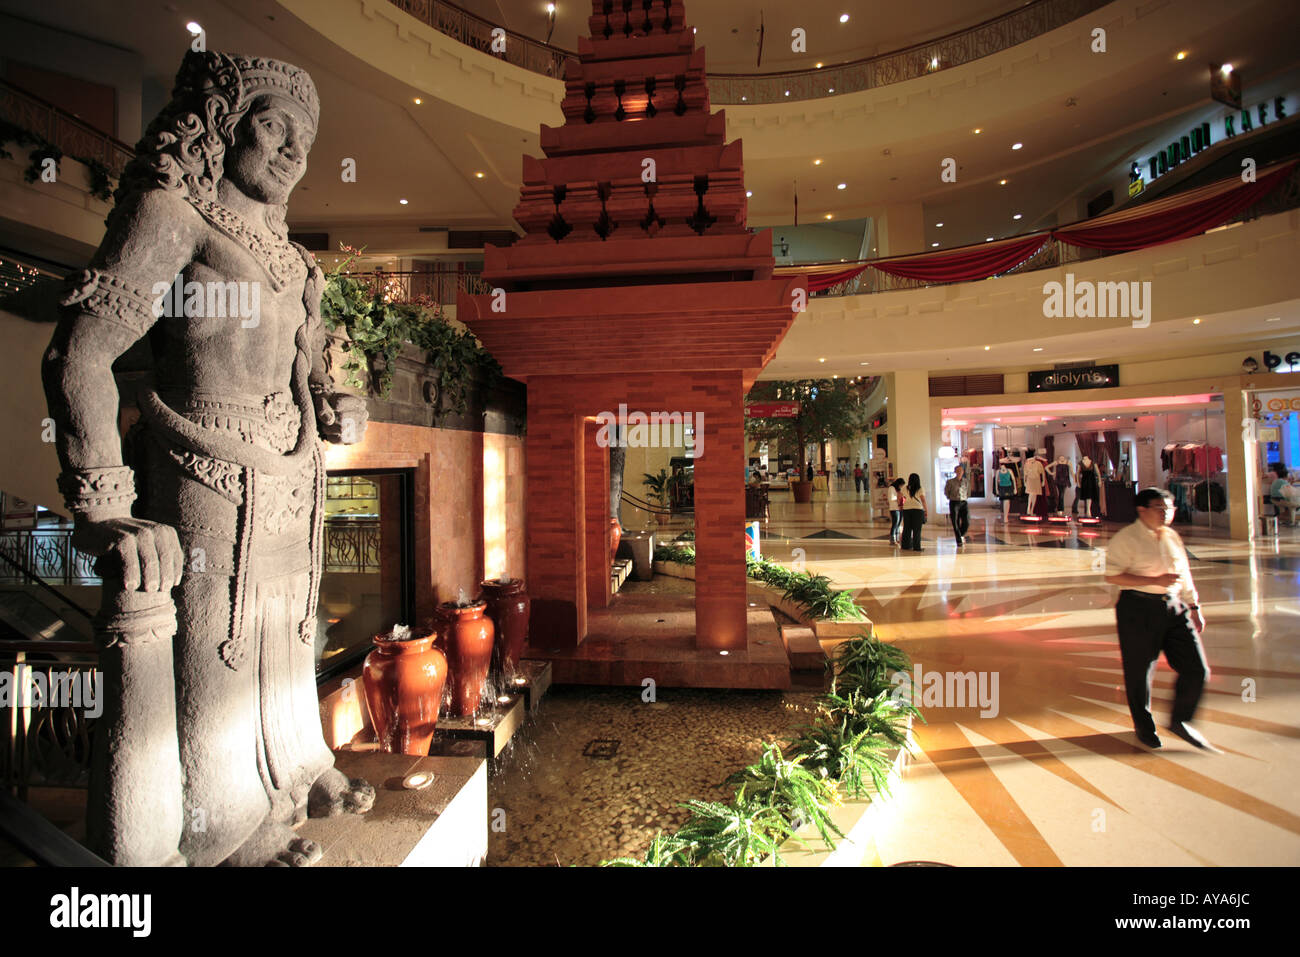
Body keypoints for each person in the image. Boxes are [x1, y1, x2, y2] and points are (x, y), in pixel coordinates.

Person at [1103, 488, 1217, 752]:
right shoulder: (1126, 539)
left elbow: (1184, 572)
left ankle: (1180, 720)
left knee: (1196, 668)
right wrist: (1153, 581)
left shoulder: (1172, 536)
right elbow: (1113, 576)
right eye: (1159, 507)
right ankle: (1144, 726)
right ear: (1142, 510)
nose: (1166, 512)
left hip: (1174, 607)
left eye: (1169, 507)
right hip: (1137, 608)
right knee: (1140, 671)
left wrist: (1193, 605)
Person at [944, 464, 971, 548]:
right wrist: (950, 497)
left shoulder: (966, 481)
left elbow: (968, 491)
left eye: (961, 471)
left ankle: (961, 534)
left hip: (963, 502)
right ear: (955, 472)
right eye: (958, 471)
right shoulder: (950, 481)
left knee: (966, 521)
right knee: (955, 521)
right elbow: (946, 491)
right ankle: (958, 539)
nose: (960, 472)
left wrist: (966, 497)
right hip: (954, 502)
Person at [900, 472, 928, 552]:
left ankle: (905, 546)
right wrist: (926, 510)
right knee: (917, 530)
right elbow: (923, 500)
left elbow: (902, 498)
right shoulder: (920, 488)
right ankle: (917, 547)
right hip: (917, 510)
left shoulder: (905, 488)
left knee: (907, 528)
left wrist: (901, 505)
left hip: (907, 510)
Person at [888, 477, 906, 546]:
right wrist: (898, 497)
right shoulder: (891, 488)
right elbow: (891, 498)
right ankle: (892, 540)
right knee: (895, 523)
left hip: (899, 508)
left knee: (898, 524)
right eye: (901, 485)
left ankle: (897, 538)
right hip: (894, 508)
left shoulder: (898, 489)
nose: (901, 487)